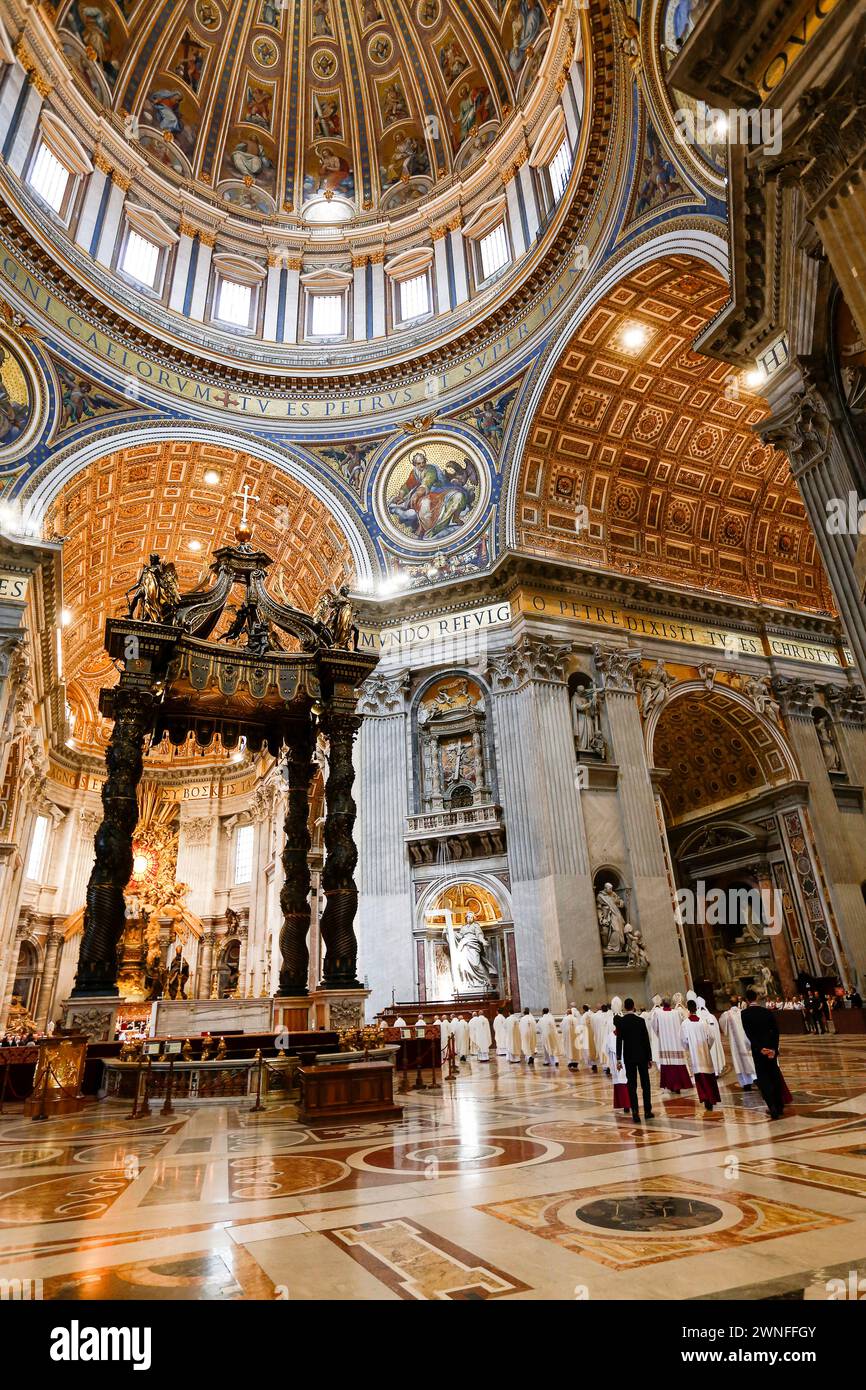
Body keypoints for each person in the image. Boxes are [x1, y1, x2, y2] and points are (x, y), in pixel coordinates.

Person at [740, 988, 792, 1120]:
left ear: (747, 1000)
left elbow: (749, 1034)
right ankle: (779, 1106)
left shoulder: (745, 1014)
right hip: (771, 1051)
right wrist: (773, 1049)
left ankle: (772, 1107)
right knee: (774, 1076)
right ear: (757, 998)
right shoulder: (767, 1012)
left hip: (759, 1052)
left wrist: (760, 1048)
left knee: (763, 1079)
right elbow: (775, 1031)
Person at [616, 997, 655, 1122]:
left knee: (631, 1085)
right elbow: (646, 1040)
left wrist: (618, 1058)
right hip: (642, 1056)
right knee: (645, 1084)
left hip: (629, 1057)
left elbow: (619, 1041)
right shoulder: (640, 1021)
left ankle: (635, 1112)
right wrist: (649, 1057)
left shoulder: (621, 1022)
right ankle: (648, 1111)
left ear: (624, 1008)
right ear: (633, 1006)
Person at [681, 1005, 721, 1112]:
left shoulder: (685, 1024)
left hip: (695, 1055)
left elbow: (684, 1040)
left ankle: (706, 1098)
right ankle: (711, 1099)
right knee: (708, 1076)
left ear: (688, 1010)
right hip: (705, 1054)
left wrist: (689, 1047)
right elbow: (711, 1037)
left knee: (700, 1077)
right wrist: (707, 1046)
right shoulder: (703, 1022)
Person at [650, 998, 693, 1094]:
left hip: (665, 1044)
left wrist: (660, 1035)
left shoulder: (658, 1013)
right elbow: (684, 1021)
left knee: (668, 1064)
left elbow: (654, 1026)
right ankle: (679, 1085)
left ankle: (670, 1085)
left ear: (662, 1004)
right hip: (676, 1043)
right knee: (678, 1063)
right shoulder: (677, 1013)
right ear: (670, 1004)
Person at [719, 1001, 756, 1089]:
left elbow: (722, 1023)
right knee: (749, 1060)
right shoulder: (743, 1012)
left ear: (729, 1005)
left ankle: (745, 1084)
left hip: (735, 1043)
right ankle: (754, 1079)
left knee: (739, 1063)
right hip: (745, 1041)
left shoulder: (727, 1014)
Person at [695, 996, 726, 1075]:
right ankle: (716, 1071)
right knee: (714, 1055)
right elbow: (717, 1031)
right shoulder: (711, 1016)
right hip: (714, 1042)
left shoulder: (697, 1017)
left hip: (704, 1043)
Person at [590, 1003, 611, 1075]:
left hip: (601, 1036)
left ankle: (606, 1066)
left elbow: (594, 1027)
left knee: (603, 1050)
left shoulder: (597, 1017)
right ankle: (609, 1066)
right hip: (609, 1036)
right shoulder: (611, 1015)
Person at [561, 1006, 580, 1070]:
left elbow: (562, 1027)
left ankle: (570, 1062)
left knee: (569, 1048)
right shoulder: (575, 1019)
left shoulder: (565, 1019)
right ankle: (575, 1062)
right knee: (575, 1048)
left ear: (567, 1013)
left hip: (568, 1037)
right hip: (575, 1036)